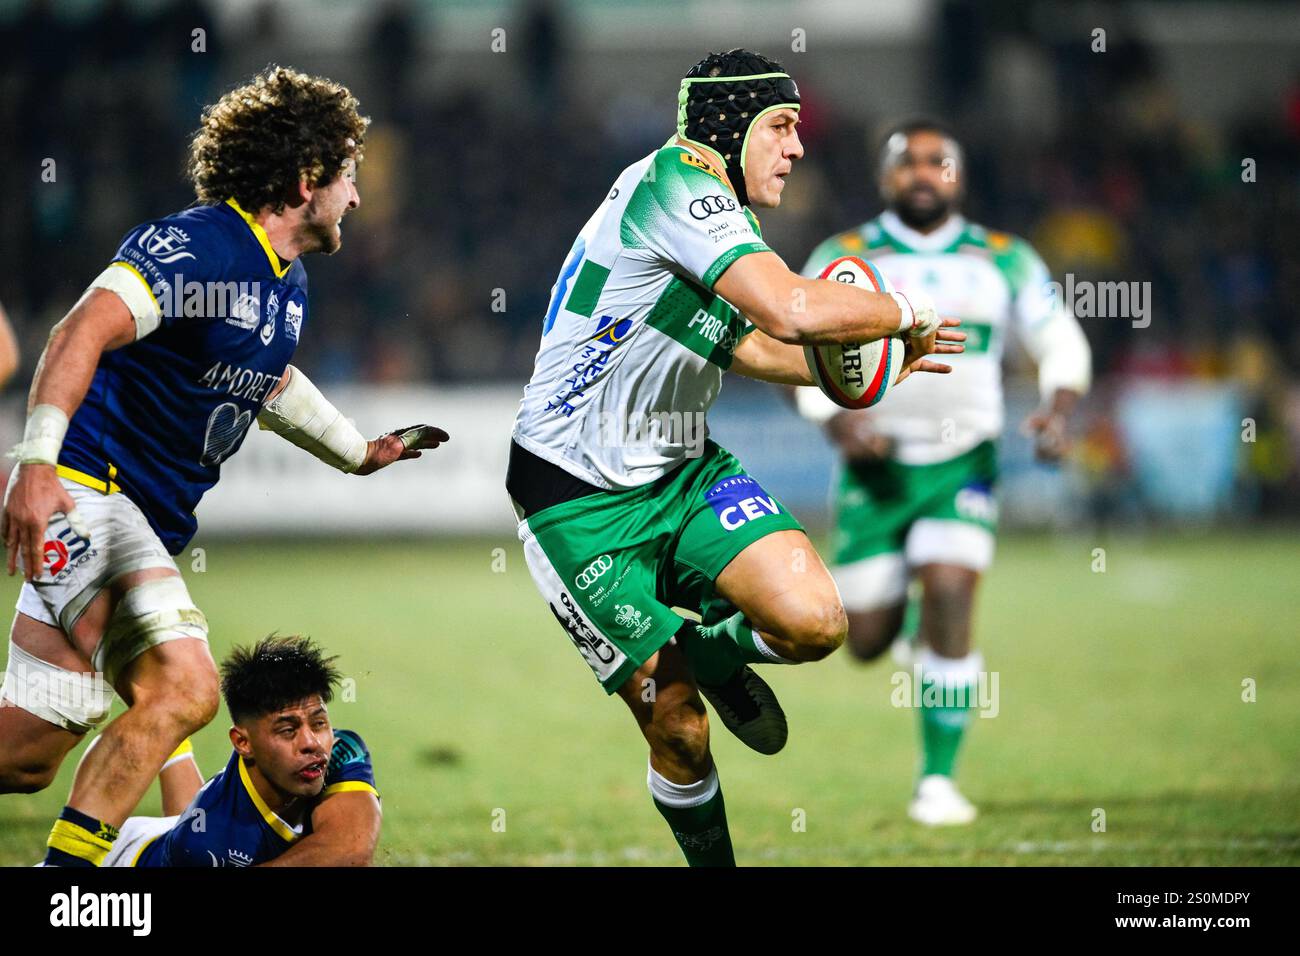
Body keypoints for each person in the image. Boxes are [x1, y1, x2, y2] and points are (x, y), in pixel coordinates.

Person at [507, 50, 964, 865]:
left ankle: (710, 649)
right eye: (781, 128)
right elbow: (789, 310)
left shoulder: (709, 213)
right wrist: (903, 310)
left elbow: (752, 343)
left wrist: (873, 361)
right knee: (679, 728)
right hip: (576, 500)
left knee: (817, 623)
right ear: (732, 125)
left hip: (683, 472)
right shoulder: (677, 187)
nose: (795, 149)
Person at [0, 66, 445, 868]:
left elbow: (265, 380)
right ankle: (69, 890)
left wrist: (358, 453)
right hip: (87, 493)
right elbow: (80, 330)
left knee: (24, 757)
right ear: (307, 179)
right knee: (184, 690)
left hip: (126, 520)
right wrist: (35, 465)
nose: (357, 196)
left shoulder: (289, 282)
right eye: (348, 176)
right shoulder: (201, 245)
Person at [796, 119, 1091, 824]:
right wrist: (834, 418)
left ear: (958, 176)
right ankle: (905, 620)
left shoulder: (1004, 257)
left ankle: (937, 782)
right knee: (863, 640)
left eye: (938, 162)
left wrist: (1056, 407)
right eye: (907, 163)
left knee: (954, 590)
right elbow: (798, 347)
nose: (922, 174)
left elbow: (1061, 342)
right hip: (876, 475)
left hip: (965, 462)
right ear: (883, 178)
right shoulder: (844, 257)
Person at [102, 635, 380, 867]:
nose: (312, 742)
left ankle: (167, 735)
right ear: (243, 742)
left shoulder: (340, 749)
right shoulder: (203, 848)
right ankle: (157, 725)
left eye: (319, 723)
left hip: (185, 826)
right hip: (121, 858)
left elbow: (350, 849)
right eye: (287, 730)